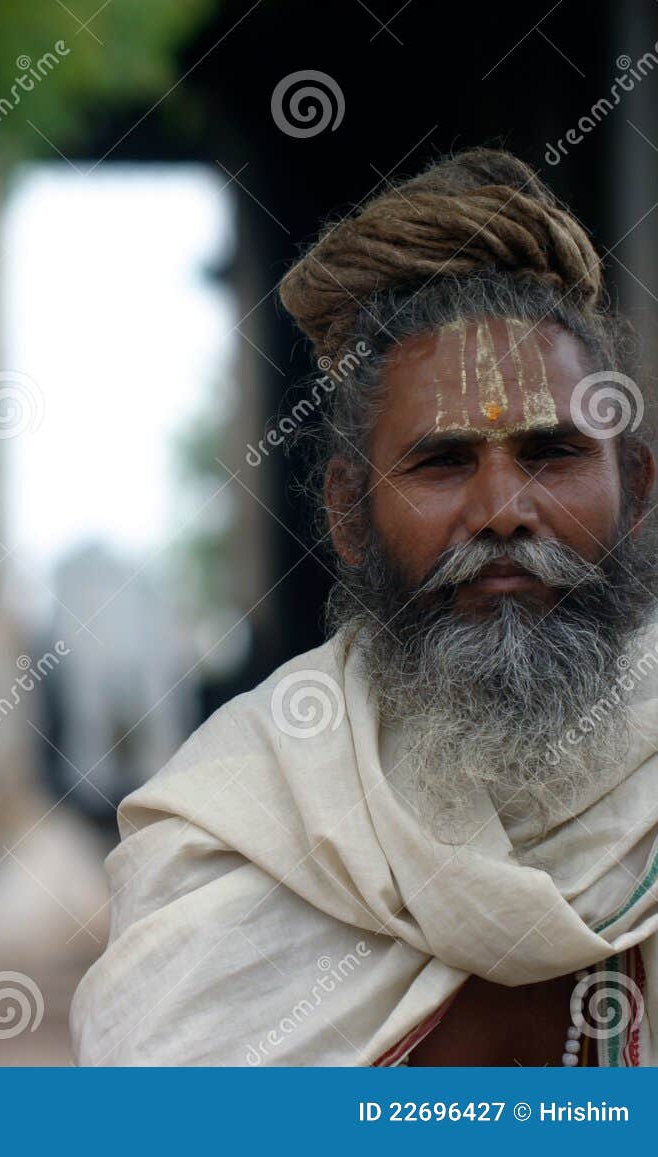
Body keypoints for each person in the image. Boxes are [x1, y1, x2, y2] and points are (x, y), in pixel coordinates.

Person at [71, 148, 658, 1066]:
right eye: (443, 462)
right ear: (348, 512)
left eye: (551, 455)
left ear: (636, 486)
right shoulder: (238, 822)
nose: (503, 511)